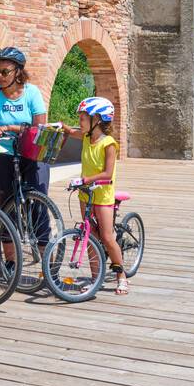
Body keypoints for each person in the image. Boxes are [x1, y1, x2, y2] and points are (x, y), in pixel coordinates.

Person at [0, 46, 51, 261]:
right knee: (6, 205)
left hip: (32, 153)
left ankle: (47, 264)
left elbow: (40, 128)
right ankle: (10, 261)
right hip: (4, 154)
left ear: (18, 72)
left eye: (5, 72)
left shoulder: (32, 93)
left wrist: (10, 128)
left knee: (39, 204)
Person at [62, 96, 129, 296]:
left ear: (97, 120)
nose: (80, 122)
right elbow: (71, 131)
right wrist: (61, 127)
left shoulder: (108, 143)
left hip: (103, 196)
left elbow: (108, 173)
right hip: (86, 195)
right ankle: (95, 278)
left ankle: (121, 276)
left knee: (107, 237)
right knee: (89, 235)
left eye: (83, 118)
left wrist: (86, 179)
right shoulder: (85, 137)